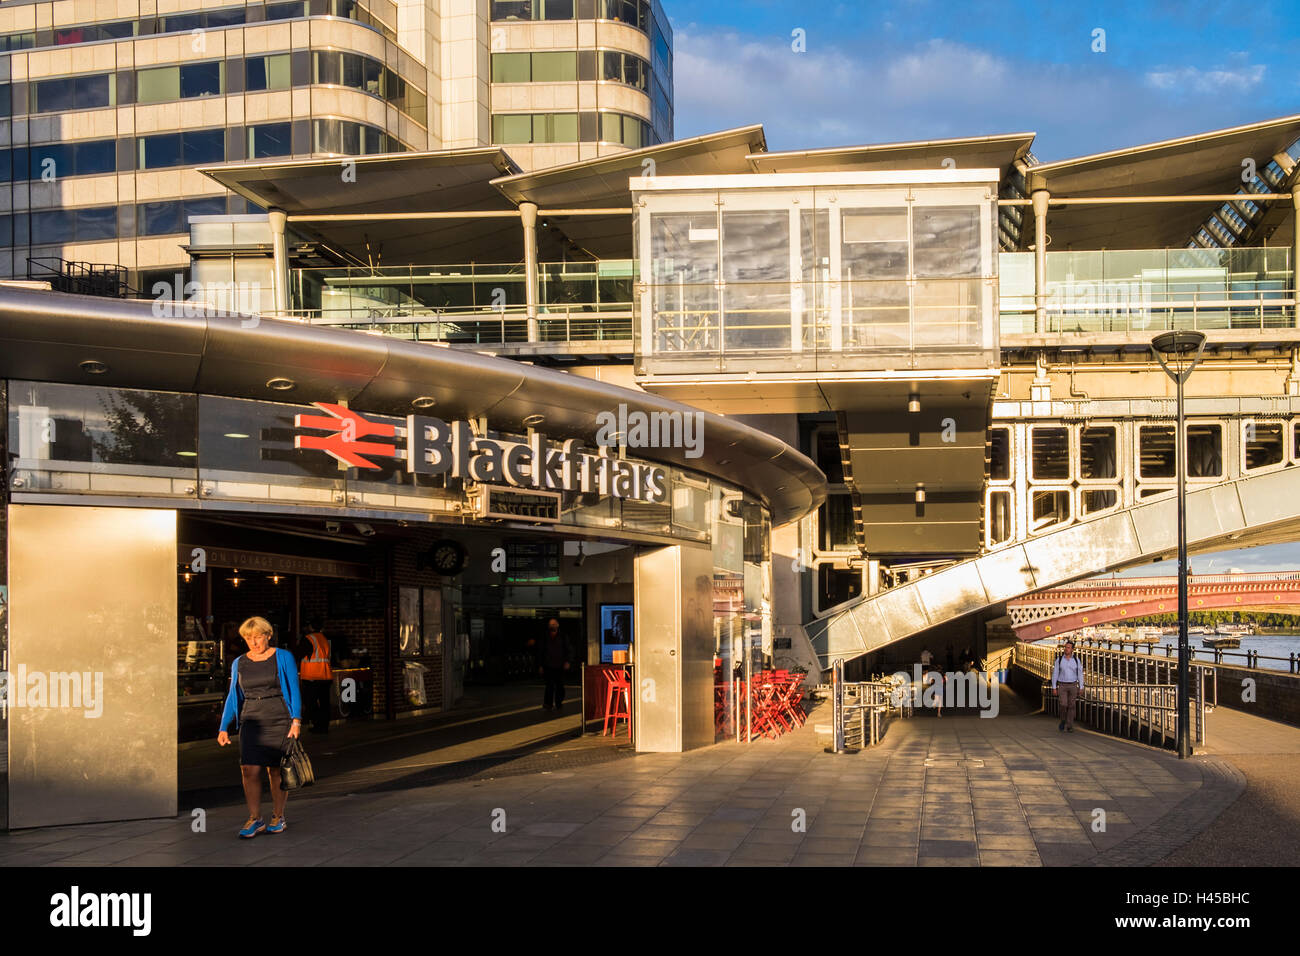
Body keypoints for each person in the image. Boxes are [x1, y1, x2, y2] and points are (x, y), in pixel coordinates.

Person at [217, 616, 303, 838]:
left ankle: (278, 815)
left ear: (268, 636)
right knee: (249, 769)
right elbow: (232, 696)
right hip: (251, 720)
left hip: (278, 718)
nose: (253, 642)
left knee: (276, 770)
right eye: (248, 638)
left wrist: (296, 720)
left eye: (258, 637)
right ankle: (255, 818)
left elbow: (294, 689)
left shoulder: (283, 657)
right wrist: (223, 726)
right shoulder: (239, 663)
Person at [298, 619, 333, 734]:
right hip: (325, 675)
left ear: (311, 627)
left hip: (312, 676)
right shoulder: (324, 639)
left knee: (309, 702)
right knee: (324, 703)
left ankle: (318, 724)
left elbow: (298, 654)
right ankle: (324, 726)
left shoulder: (308, 639)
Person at [1051, 640, 1085, 733]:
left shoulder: (1076, 660)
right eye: (1065, 647)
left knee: (1072, 706)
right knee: (1063, 704)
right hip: (1062, 685)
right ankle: (1063, 720)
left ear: (1072, 650)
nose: (1066, 649)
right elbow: (1055, 673)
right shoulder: (1059, 659)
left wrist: (1081, 686)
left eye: (1068, 648)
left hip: (1073, 685)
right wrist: (1054, 687)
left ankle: (1069, 725)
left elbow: (1080, 674)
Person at [537, 617, 569, 710]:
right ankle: (548, 704)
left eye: (554, 624)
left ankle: (559, 702)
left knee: (560, 686)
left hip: (560, 665)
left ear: (558, 625)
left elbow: (568, 649)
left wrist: (567, 661)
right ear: (548, 626)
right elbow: (540, 651)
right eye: (551, 624)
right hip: (548, 665)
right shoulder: (544, 637)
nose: (552, 626)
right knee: (549, 686)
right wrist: (540, 665)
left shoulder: (563, 636)